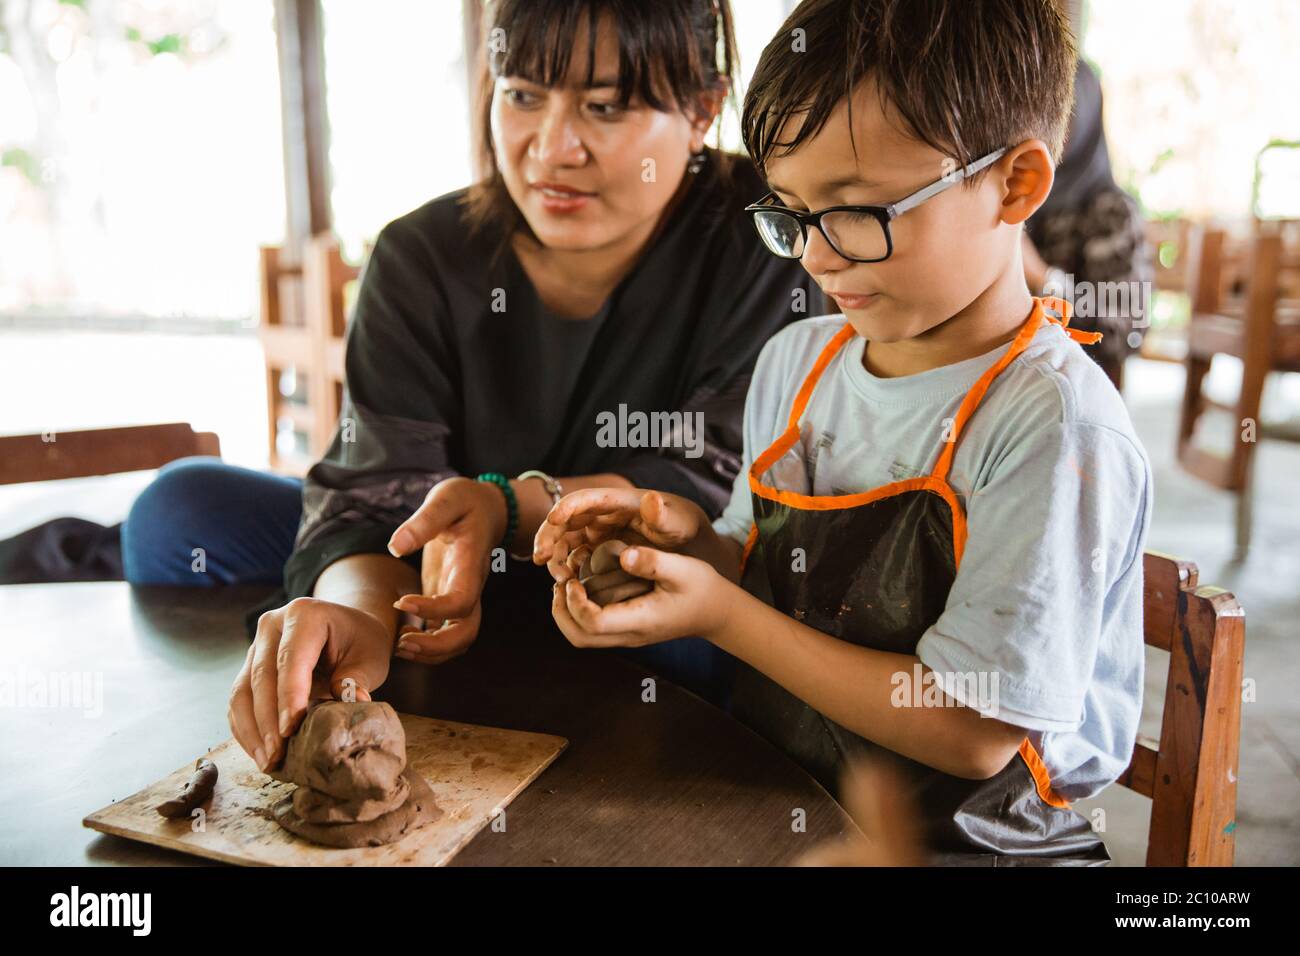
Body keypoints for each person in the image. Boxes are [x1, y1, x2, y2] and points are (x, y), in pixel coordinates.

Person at [119, 0, 825, 773]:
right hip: (432, 571)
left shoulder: (768, 239)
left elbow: (707, 481)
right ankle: (383, 652)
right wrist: (360, 617)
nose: (552, 149)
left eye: (605, 106)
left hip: (608, 569)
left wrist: (500, 508)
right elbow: (378, 489)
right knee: (179, 515)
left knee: (668, 600)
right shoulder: (423, 254)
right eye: (522, 94)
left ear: (702, 111)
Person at [533, 0, 1153, 864]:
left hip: (973, 847)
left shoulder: (1050, 422)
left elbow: (973, 730)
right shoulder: (800, 362)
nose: (817, 256)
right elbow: (753, 564)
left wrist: (721, 618)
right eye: (790, 211)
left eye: (858, 211)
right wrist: (682, 546)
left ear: (1015, 184)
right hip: (789, 803)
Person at [1021, 58, 1151, 390]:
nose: (1048, 127)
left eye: (1064, 113)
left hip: (1071, 389)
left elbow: (1124, 330)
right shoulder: (1008, 192)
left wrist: (1041, 276)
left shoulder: (1109, 211)